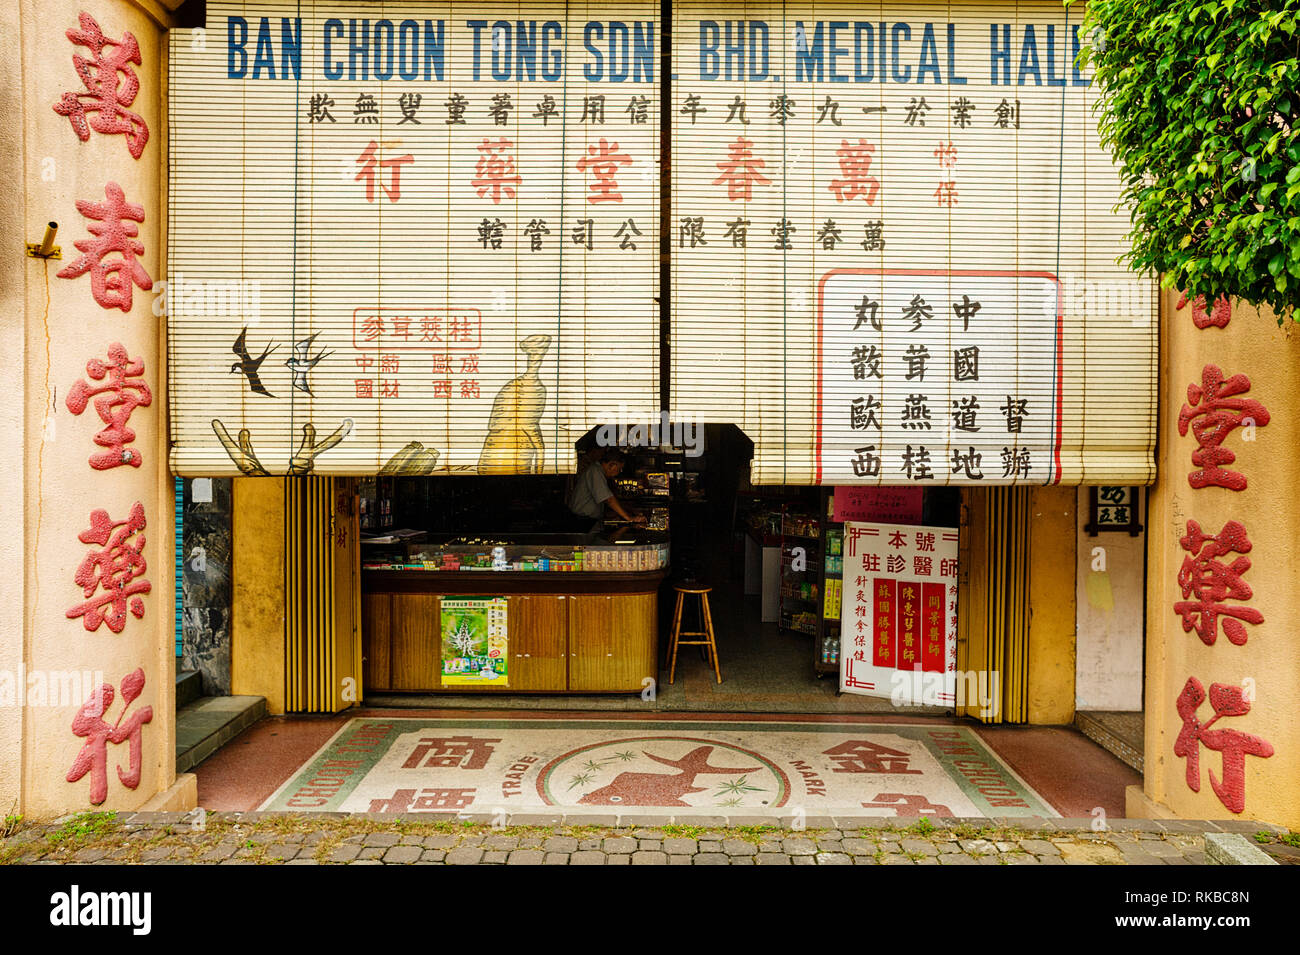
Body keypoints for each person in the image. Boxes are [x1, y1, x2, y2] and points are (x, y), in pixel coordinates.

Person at [566, 449, 645, 532]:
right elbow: (608, 499)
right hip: (582, 521)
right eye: (619, 469)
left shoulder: (598, 471)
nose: (619, 472)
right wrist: (629, 518)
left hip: (588, 520)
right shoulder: (595, 471)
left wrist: (628, 510)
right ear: (612, 465)